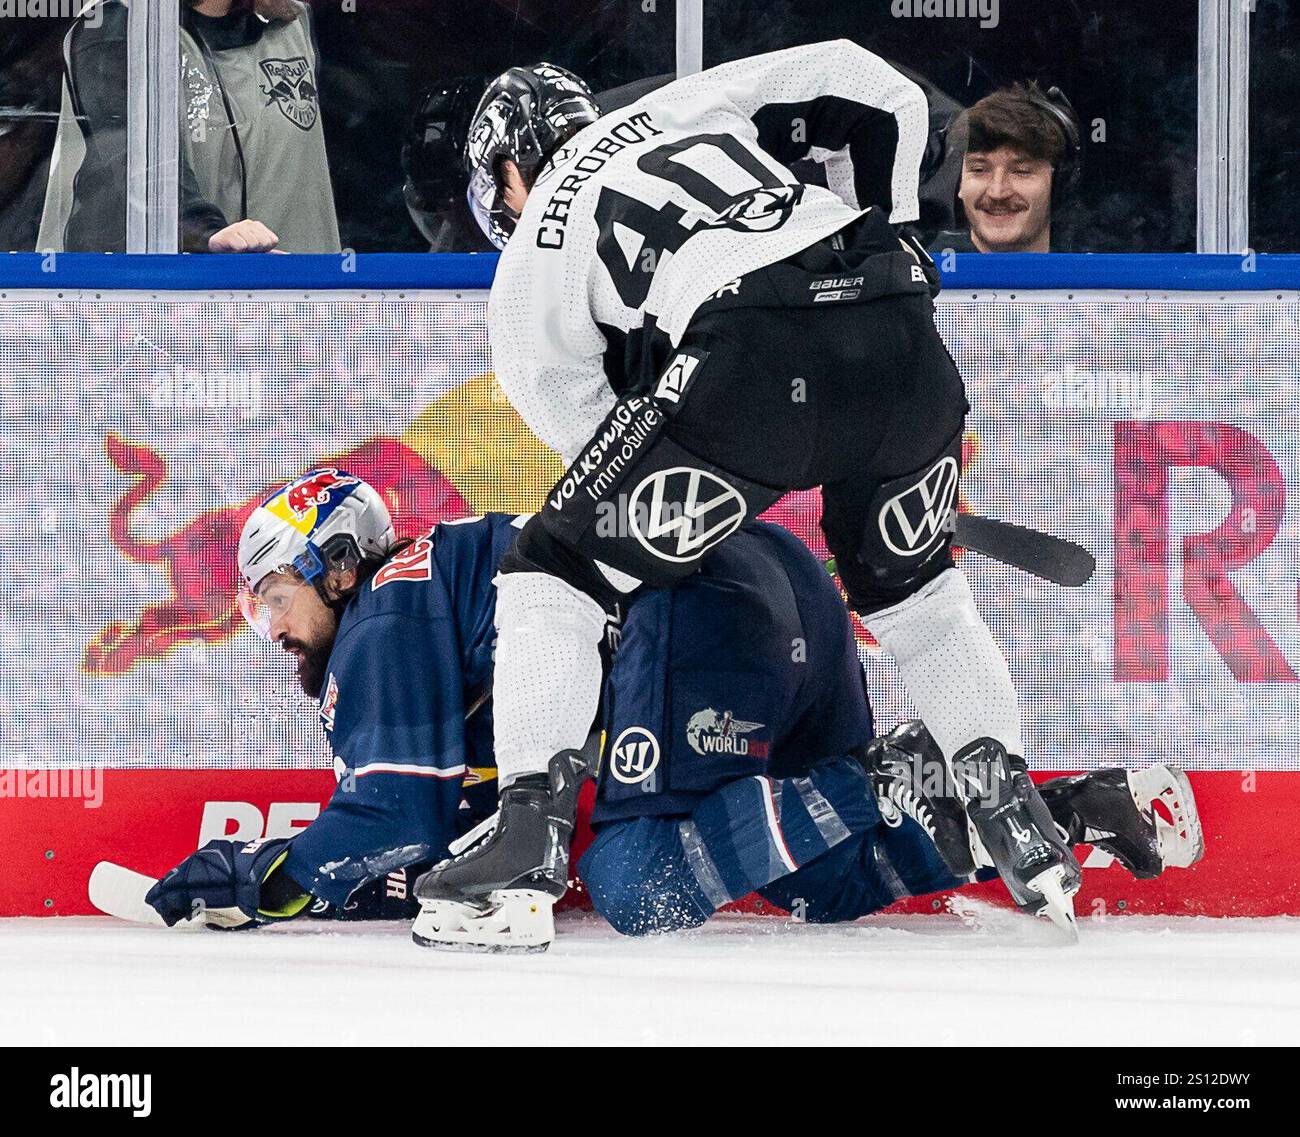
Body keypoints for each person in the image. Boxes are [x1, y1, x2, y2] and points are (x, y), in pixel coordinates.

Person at [416, 39, 1085, 947]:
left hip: (747, 357)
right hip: (901, 328)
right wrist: (888, 232)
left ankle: (525, 851)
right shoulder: (685, 105)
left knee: (552, 572)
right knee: (919, 597)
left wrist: (733, 441)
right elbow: (872, 83)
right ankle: (1015, 818)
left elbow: (601, 459)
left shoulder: (530, 260)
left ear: (506, 167)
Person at [141, 469, 1203, 940]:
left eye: (271, 597)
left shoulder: (382, 614)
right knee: (816, 880)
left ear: (334, 568)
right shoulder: (423, 592)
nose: (268, 629)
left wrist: (251, 875)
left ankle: (886, 771)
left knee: (637, 884)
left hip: (702, 610)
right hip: (778, 586)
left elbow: (397, 822)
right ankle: (1077, 812)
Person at [38, 0, 339, 253]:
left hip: (300, 305)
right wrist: (203, 231)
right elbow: (138, 164)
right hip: (153, 305)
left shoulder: (294, 22)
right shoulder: (115, 26)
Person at [928, 82, 1081, 255]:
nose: (997, 192)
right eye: (979, 170)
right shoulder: (910, 272)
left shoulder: (1092, 278)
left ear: (1060, 183)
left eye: (1021, 171)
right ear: (959, 182)